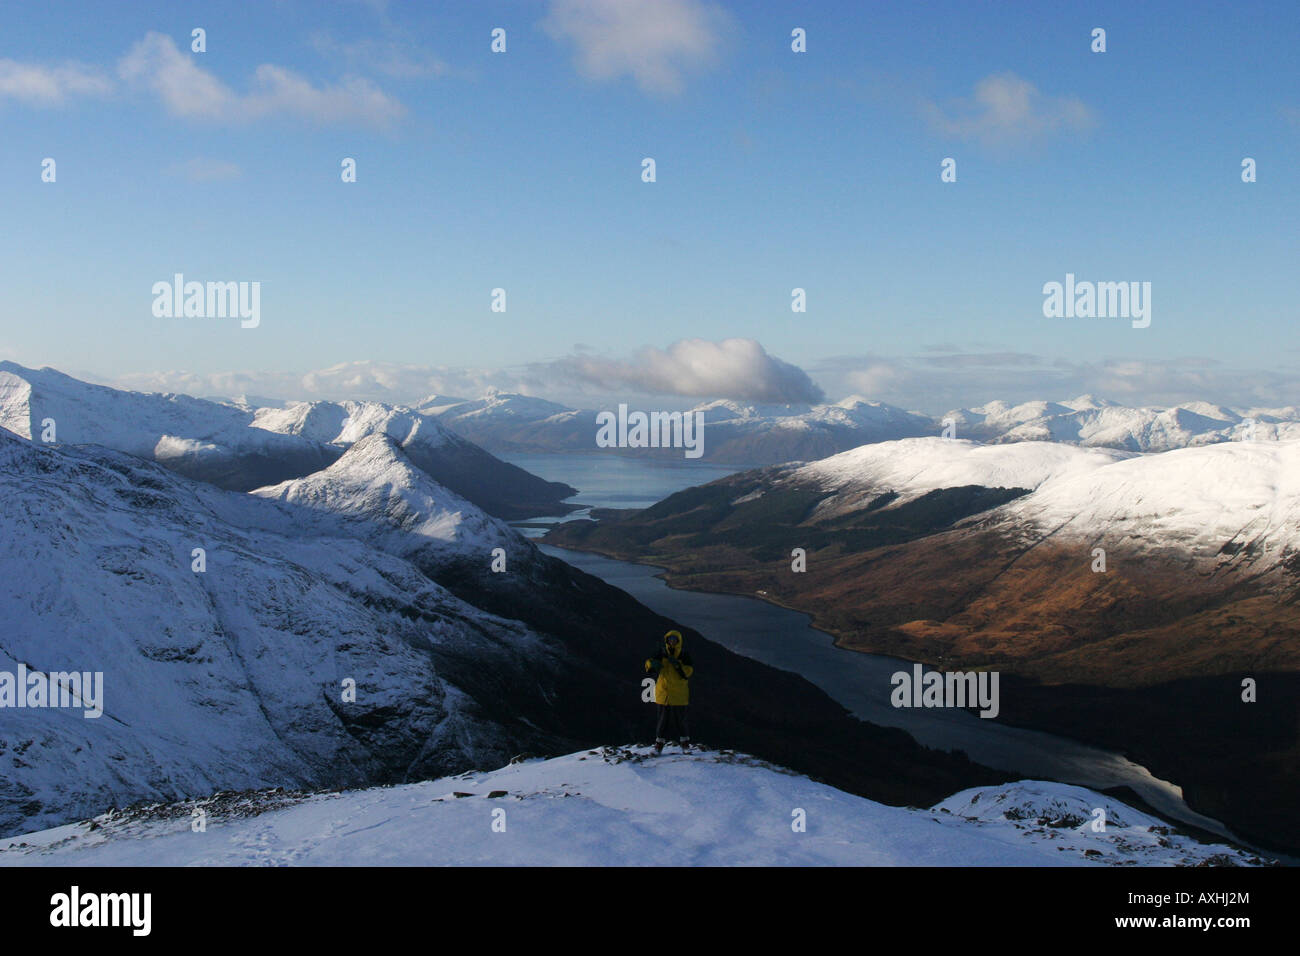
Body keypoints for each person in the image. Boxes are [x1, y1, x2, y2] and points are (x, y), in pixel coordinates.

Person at [644, 629, 694, 753]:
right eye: (670, 639)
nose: (672, 641)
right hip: (664, 692)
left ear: (678, 641)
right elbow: (649, 662)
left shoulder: (683, 654)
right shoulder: (661, 652)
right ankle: (659, 744)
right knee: (662, 720)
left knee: (680, 721)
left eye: (674, 639)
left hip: (678, 693)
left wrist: (678, 666)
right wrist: (651, 665)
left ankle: (684, 744)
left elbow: (688, 672)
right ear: (667, 640)